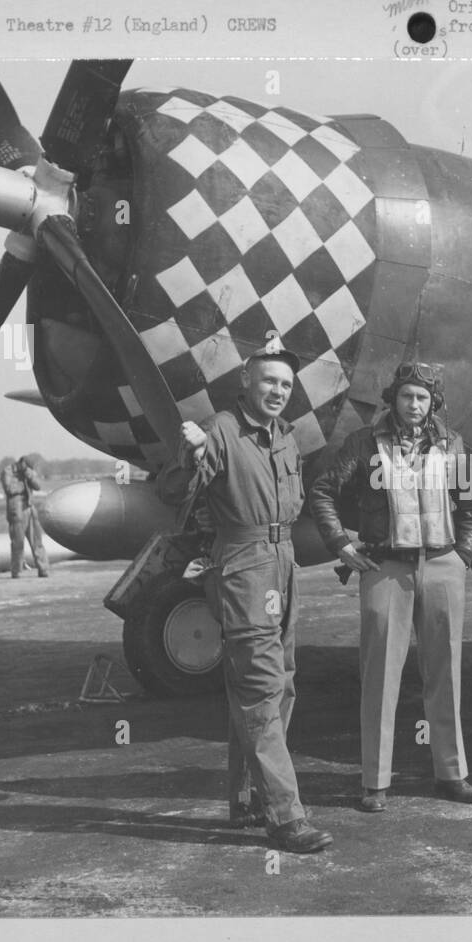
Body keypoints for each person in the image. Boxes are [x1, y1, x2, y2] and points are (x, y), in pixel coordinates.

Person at [308, 362, 472, 813]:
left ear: (433, 403)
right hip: (385, 566)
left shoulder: (452, 444)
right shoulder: (364, 443)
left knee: (446, 671)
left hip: (443, 564)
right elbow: (323, 491)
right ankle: (375, 782)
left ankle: (452, 774)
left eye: (422, 398)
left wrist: (461, 556)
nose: (414, 404)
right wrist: (342, 546)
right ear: (394, 398)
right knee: (381, 675)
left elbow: (471, 503)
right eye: (407, 396)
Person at [179, 344, 333, 854]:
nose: (277, 392)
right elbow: (176, 488)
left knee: (281, 685)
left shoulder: (284, 437)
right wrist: (193, 455)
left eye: (286, 385)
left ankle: (247, 797)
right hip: (245, 567)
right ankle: (286, 816)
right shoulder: (221, 429)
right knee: (262, 688)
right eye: (269, 381)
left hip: (283, 565)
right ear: (246, 379)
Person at [0, 456, 49, 578]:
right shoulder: (8, 471)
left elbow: (38, 486)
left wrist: (29, 474)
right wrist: (23, 484)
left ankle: (43, 569)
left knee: (37, 541)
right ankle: (17, 571)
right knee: (18, 543)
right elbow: (9, 489)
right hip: (16, 511)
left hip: (30, 508)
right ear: (21, 463)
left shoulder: (28, 471)